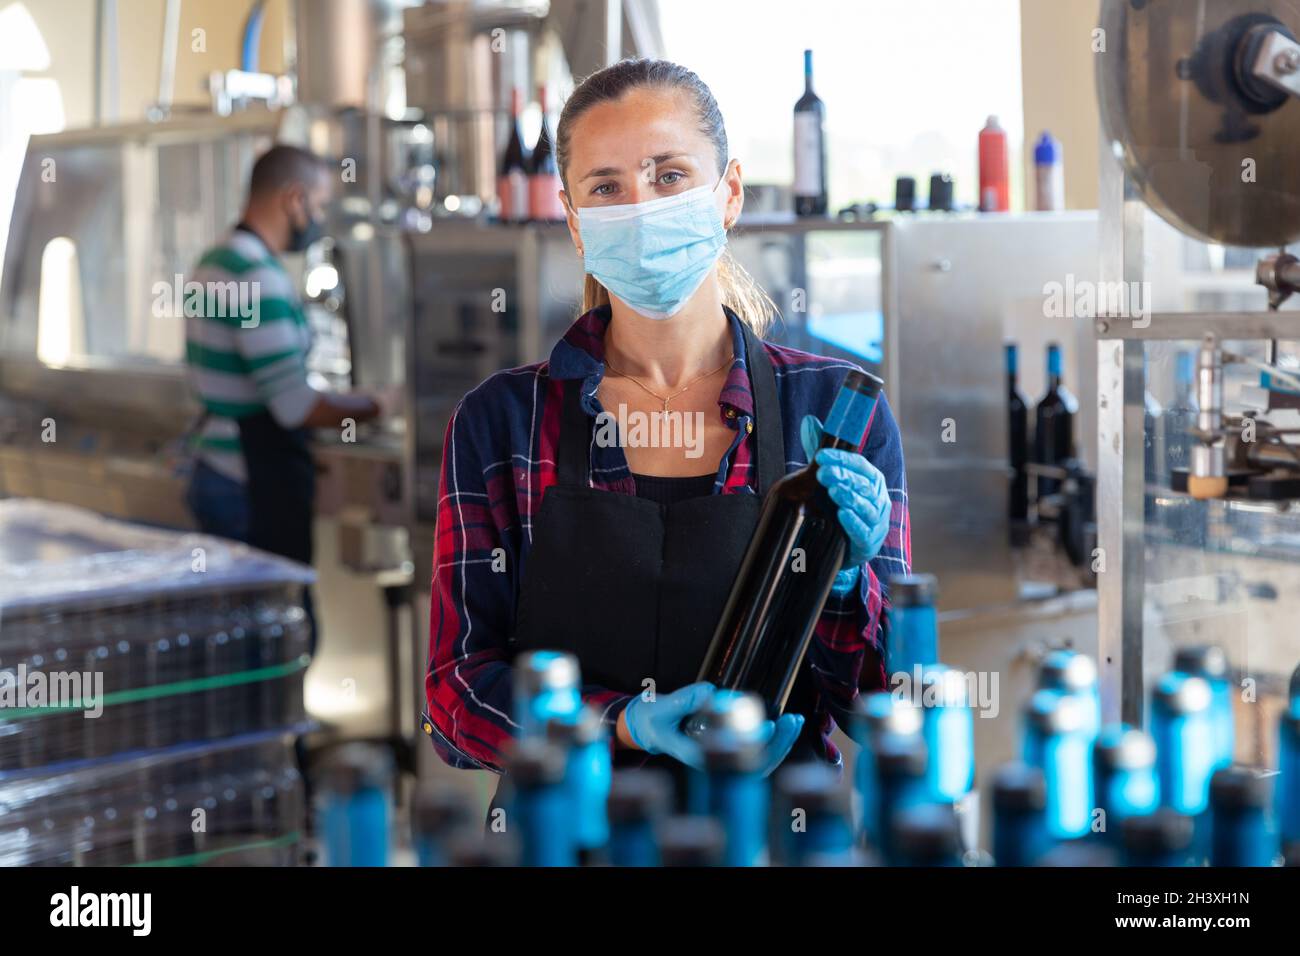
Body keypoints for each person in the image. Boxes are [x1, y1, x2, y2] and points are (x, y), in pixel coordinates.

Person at [422, 60, 911, 801]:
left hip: (775, 838)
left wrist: (844, 583)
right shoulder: (503, 423)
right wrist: (617, 723)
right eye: (607, 187)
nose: (641, 207)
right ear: (575, 221)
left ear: (730, 194)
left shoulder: (835, 415)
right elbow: (455, 696)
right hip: (571, 837)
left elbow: (888, 711)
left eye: (670, 174)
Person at [184, 144, 383, 568]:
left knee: (234, 623)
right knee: (277, 621)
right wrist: (379, 404)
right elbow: (295, 406)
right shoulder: (257, 275)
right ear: (294, 200)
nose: (319, 218)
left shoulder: (215, 259)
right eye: (320, 204)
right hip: (250, 481)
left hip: (212, 467)